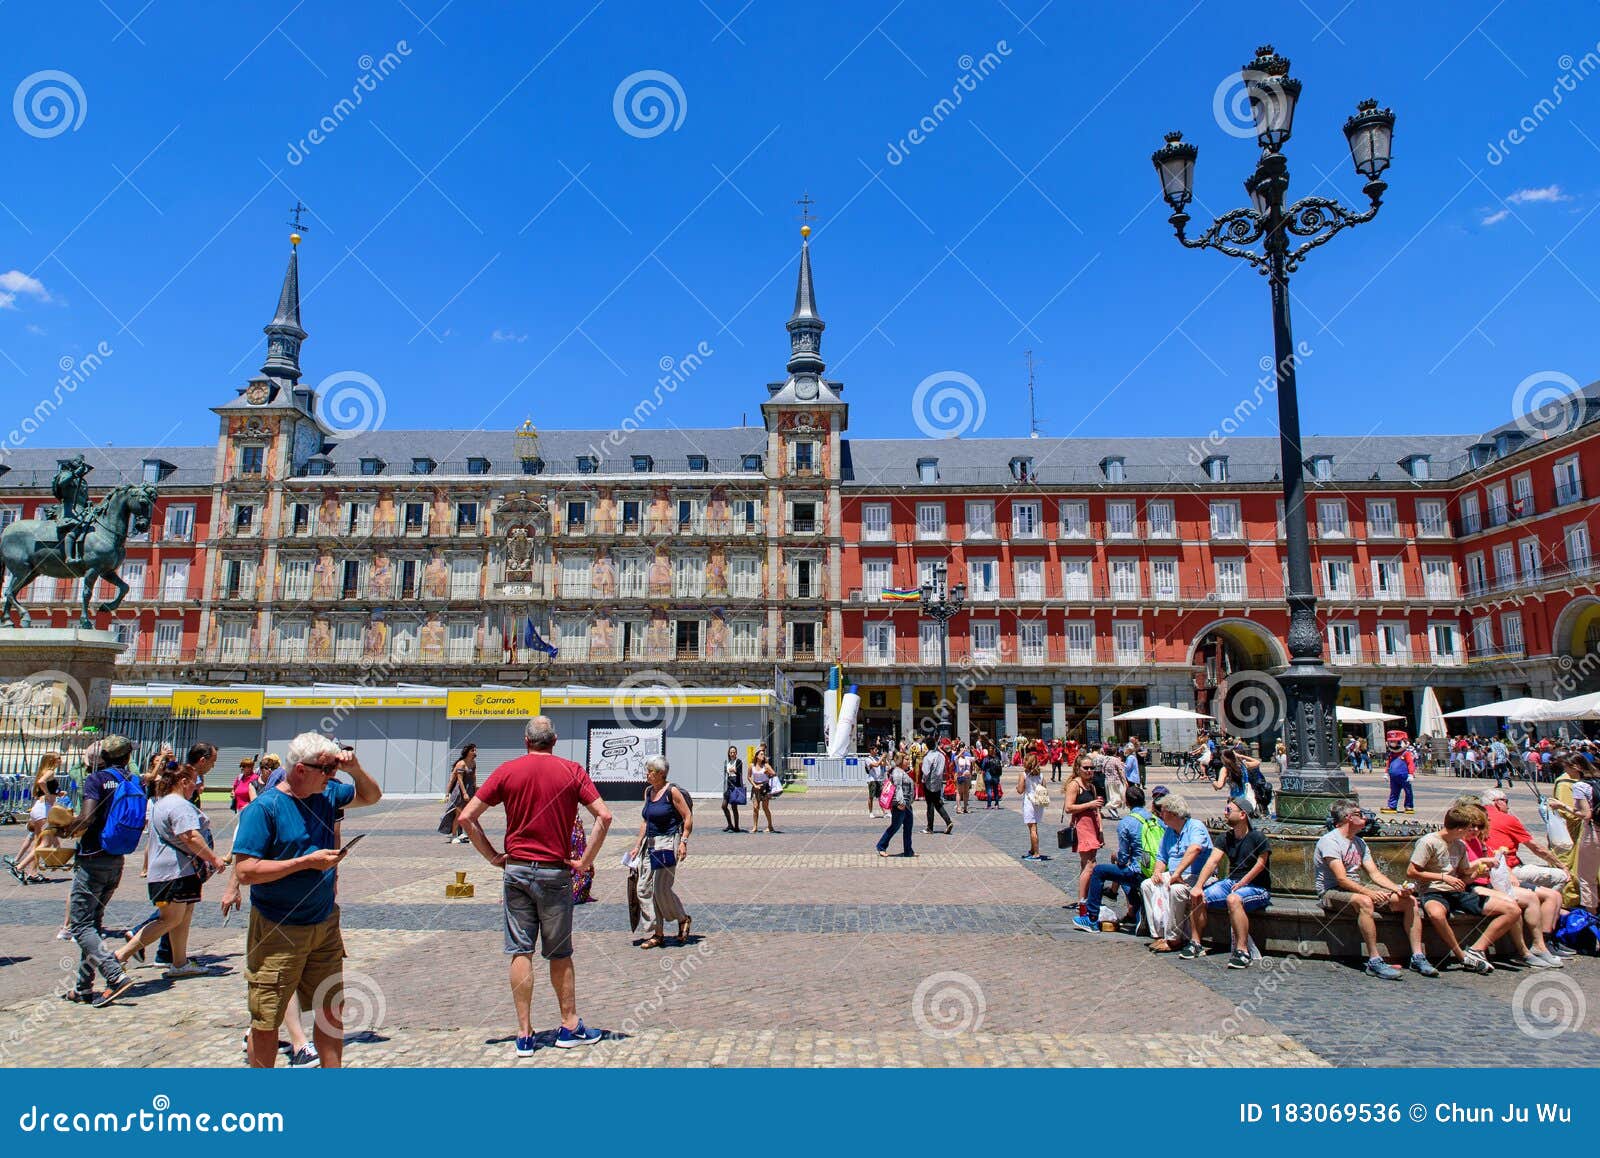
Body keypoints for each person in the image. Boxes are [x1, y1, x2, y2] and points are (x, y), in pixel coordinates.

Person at [458, 716, 612, 1055]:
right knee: (560, 952)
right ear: (554, 741)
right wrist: (584, 861)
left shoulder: (507, 771)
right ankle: (569, 1025)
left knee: (520, 950)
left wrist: (492, 856)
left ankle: (524, 1033)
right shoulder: (572, 771)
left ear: (525, 741)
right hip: (554, 873)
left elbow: (466, 817)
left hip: (516, 871)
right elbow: (604, 815)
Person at [232, 732, 382, 1067]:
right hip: (278, 927)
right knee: (267, 1019)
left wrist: (355, 769)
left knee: (331, 1010)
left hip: (324, 922)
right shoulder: (264, 809)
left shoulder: (326, 793)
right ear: (301, 770)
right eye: (327, 769)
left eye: (334, 768)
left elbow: (372, 796)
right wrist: (304, 863)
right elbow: (245, 871)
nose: (333, 775)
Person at [113, 761, 228, 978]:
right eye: (194, 782)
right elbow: (189, 836)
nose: (197, 786)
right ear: (183, 782)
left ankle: (179, 962)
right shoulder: (179, 805)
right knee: (170, 919)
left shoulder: (161, 803)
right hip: (175, 872)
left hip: (174, 871)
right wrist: (213, 859)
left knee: (183, 915)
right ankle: (120, 956)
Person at [62, 736, 142, 1007]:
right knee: (93, 924)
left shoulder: (97, 780)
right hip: (116, 858)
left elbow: (88, 817)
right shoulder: (133, 780)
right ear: (126, 757)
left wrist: (66, 827)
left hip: (93, 856)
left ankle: (114, 974)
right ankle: (83, 988)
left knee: (80, 925)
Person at [1315, 802, 1430, 979]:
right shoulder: (1330, 841)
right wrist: (1368, 893)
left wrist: (1398, 889)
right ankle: (1374, 961)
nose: (1365, 818)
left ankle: (1417, 956)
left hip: (1355, 887)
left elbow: (1375, 874)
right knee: (1365, 902)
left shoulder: (1359, 842)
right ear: (1349, 818)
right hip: (1331, 891)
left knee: (1409, 901)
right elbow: (1341, 879)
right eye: (1360, 814)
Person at [1407, 804, 1524, 974]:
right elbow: (1411, 872)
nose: (1472, 832)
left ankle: (1476, 949)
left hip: (1457, 892)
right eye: (1469, 828)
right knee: (1436, 914)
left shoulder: (1459, 845)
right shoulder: (1429, 842)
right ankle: (1461, 956)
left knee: (1512, 910)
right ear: (1459, 829)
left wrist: (1479, 871)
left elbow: (1464, 873)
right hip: (1433, 891)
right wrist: (1443, 877)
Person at [1461, 805, 1563, 968]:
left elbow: (1491, 864)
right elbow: (1463, 875)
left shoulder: (1477, 841)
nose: (1476, 830)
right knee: (1511, 902)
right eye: (1472, 826)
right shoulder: (1460, 843)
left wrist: (1499, 867)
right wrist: (1479, 869)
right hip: (1472, 886)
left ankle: (1539, 946)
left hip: (1489, 882)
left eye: (1479, 826)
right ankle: (1523, 951)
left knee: (1531, 898)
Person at [1190, 797, 1271, 967]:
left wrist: (1243, 882)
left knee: (1233, 899)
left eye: (1228, 810)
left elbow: (1261, 864)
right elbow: (1212, 861)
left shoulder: (1258, 837)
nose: (1225, 813)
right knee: (1198, 895)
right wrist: (1198, 886)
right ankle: (1196, 943)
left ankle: (1242, 951)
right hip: (1232, 882)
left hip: (1257, 887)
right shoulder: (1225, 837)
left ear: (1242, 814)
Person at [629, 755, 693, 950]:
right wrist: (637, 845)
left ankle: (680, 920)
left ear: (661, 773)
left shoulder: (671, 792)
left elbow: (687, 816)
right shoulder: (648, 792)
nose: (647, 774)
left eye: (650, 771)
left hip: (667, 843)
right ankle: (657, 931)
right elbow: (645, 820)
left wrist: (683, 842)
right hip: (649, 844)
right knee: (642, 888)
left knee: (660, 889)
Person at [1075, 784, 1157, 933]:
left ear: (1127, 802)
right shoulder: (1155, 820)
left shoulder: (1126, 823)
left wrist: (1116, 856)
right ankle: (1136, 911)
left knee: (1099, 871)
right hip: (1156, 868)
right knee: (1125, 876)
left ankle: (1092, 918)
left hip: (1139, 871)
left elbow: (1123, 859)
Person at [1140, 793, 1212, 953]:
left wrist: (1177, 873)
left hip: (1196, 876)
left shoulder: (1195, 826)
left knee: (1177, 890)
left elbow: (1195, 848)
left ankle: (1174, 939)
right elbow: (1161, 857)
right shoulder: (1169, 831)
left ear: (1173, 813)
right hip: (1173, 874)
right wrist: (1157, 872)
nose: (1160, 814)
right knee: (1147, 885)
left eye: (1163, 811)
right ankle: (1159, 934)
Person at [1480, 787, 1571, 893]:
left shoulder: (1477, 816)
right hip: (1506, 869)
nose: (1508, 806)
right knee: (1561, 876)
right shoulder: (1506, 819)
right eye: (1506, 801)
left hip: (1483, 868)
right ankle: (1546, 900)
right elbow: (1536, 848)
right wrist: (1561, 865)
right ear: (1498, 802)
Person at [8, 757, 63, 884]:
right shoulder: (50, 772)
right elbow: (41, 782)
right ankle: (19, 867)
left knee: (38, 844)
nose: (61, 760)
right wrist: (48, 794)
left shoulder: (43, 771)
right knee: (46, 844)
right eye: (58, 758)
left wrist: (56, 793)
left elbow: (43, 785)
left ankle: (33, 873)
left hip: (38, 808)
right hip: (44, 810)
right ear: (52, 760)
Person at [1063, 755, 1104, 915]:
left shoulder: (1091, 786)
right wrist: (1089, 804)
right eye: (1086, 768)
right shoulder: (1075, 785)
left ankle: (1084, 897)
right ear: (1078, 769)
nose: (1089, 771)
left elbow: (1097, 810)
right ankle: (1082, 902)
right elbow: (1068, 808)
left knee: (1086, 864)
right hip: (1082, 826)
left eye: (1091, 768)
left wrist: (1101, 831)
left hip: (1093, 827)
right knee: (1090, 864)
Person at [876, 752, 917, 857]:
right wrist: (900, 802)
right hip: (900, 805)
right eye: (906, 759)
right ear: (900, 761)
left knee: (908, 827)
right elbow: (898, 788)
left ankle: (908, 851)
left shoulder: (903, 771)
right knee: (895, 826)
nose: (908, 761)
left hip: (907, 805)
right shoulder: (897, 772)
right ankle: (881, 846)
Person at [438, 743, 478, 844]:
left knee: (467, 814)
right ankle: (453, 836)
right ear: (467, 752)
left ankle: (463, 834)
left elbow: (473, 777)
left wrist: (475, 789)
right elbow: (459, 780)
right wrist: (463, 793)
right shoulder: (461, 764)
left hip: (469, 790)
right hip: (460, 792)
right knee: (458, 814)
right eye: (472, 750)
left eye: (475, 750)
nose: (475, 752)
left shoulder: (473, 763)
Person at [1017, 753, 1049, 861]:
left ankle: (1036, 853)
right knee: (1034, 827)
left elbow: (1020, 790)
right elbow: (1044, 788)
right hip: (1039, 803)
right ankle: (1032, 849)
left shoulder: (1024, 774)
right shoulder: (1041, 775)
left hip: (1029, 803)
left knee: (1032, 829)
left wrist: (1018, 786)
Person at [921, 739, 955, 835]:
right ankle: (948, 821)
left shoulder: (927, 757)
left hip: (929, 783)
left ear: (927, 746)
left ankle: (930, 827)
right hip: (938, 783)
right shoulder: (941, 756)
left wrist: (923, 780)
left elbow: (926, 772)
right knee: (938, 803)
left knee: (930, 805)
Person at [1380, 729, 1416, 814]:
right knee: (1394, 791)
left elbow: (1410, 764)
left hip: (1404, 776)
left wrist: (1411, 774)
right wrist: (1386, 773)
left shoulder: (1406, 753)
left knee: (1408, 791)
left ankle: (1409, 806)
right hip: (1393, 777)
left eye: (1395, 742)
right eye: (1391, 742)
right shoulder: (1392, 754)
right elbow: (1388, 764)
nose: (1393, 744)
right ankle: (1392, 806)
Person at [747, 745, 779, 833]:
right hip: (755, 788)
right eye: (761, 754)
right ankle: (755, 827)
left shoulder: (766, 765)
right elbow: (749, 777)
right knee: (755, 807)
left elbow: (774, 774)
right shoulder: (751, 765)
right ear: (757, 756)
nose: (763, 756)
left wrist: (767, 772)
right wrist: (754, 785)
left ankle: (770, 826)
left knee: (765, 807)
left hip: (765, 788)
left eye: (763, 754)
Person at [722, 744, 746, 831]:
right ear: (729, 753)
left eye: (734, 752)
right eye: (731, 752)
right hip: (729, 787)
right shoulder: (728, 763)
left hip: (735, 786)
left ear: (736, 753)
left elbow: (739, 772)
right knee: (724, 806)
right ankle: (730, 824)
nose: (732, 754)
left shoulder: (738, 761)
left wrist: (734, 770)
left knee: (734, 807)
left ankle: (736, 827)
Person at [864, 744, 885, 820]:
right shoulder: (868, 759)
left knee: (880, 797)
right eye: (875, 750)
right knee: (871, 797)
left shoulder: (877, 758)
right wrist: (881, 758)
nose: (877, 751)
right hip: (872, 780)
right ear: (871, 750)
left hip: (879, 780)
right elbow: (876, 765)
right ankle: (871, 812)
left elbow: (883, 764)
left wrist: (884, 758)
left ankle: (885, 812)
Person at [981, 743, 1004, 809]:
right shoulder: (997, 757)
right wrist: (993, 745)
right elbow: (999, 751)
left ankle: (989, 805)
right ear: (994, 750)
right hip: (996, 776)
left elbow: (983, 767)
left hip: (988, 776)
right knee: (996, 790)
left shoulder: (986, 758)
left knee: (989, 790)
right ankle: (996, 805)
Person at [954, 742, 974, 814]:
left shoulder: (967, 757)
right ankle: (958, 808)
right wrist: (961, 752)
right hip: (960, 776)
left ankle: (965, 808)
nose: (963, 751)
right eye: (961, 748)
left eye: (963, 748)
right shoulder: (957, 758)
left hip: (967, 777)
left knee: (966, 792)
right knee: (959, 792)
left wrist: (973, 751)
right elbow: (955, 758)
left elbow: (975, 758)